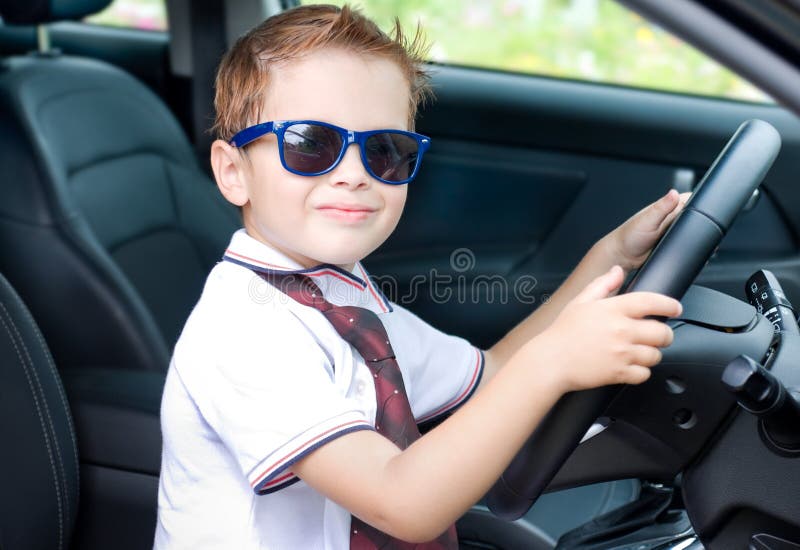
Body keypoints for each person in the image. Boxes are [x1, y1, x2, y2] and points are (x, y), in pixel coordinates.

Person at [154, 4, 687, 548]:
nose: (355, 175)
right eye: (311, 145)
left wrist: (613, 255)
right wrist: (553, 363)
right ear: (233, 172)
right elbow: (402, 504)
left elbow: (493, 374)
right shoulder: (243, 331)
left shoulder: (341, 294)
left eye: (385, 151)